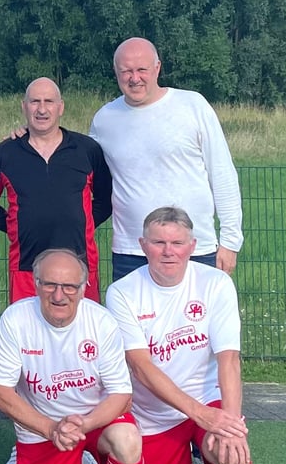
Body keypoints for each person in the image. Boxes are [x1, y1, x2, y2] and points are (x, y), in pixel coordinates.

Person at [0, 77, 112, 464]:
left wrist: (78, 232)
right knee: (27, 359)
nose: (41, 109)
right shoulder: (6, 152)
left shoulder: (88, 150)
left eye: (49, 102)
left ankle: (85, 443)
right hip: (27, 270)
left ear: (62, 107)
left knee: (80, 357)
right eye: (34, 101)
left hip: (80, 271)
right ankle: (25, 445)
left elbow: (104, 203)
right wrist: (19, 230)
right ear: (24, 107)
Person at [106, 207, 250, 464]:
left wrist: (229, 422)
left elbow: (228, 357)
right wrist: (199, 416)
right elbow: (140, 367)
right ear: (143, 245)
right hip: (154, 416)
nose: (168, 250)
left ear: (192, 245)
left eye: (177, 242)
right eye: (158, 242)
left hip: (206, 400)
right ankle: (184, 457)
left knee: (234, 458)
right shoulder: (122, 292)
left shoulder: (216, 283)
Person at [0, 249, 144, 464]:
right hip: (42, 428)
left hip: (93, 420)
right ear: (34, 284)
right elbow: (0, 392)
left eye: (70, 287)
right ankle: (73, 460)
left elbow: (121, 394)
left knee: (127, 438)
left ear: (85, 287)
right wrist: (50, 428)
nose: (59, 295)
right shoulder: (15, 319)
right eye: (49, 285)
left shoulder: (101, 322)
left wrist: (84, 425)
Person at [90, 37, 243, 281]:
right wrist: (30, 136)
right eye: (126, 71)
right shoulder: (104, 119)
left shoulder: (193, 105)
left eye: (142, 69)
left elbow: (222, 174)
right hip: (131, 251)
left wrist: (230, 241)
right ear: (116, 72)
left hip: (194, 247)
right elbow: (76, 161)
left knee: (195, 320)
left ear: (157, 68)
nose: (134, 78)